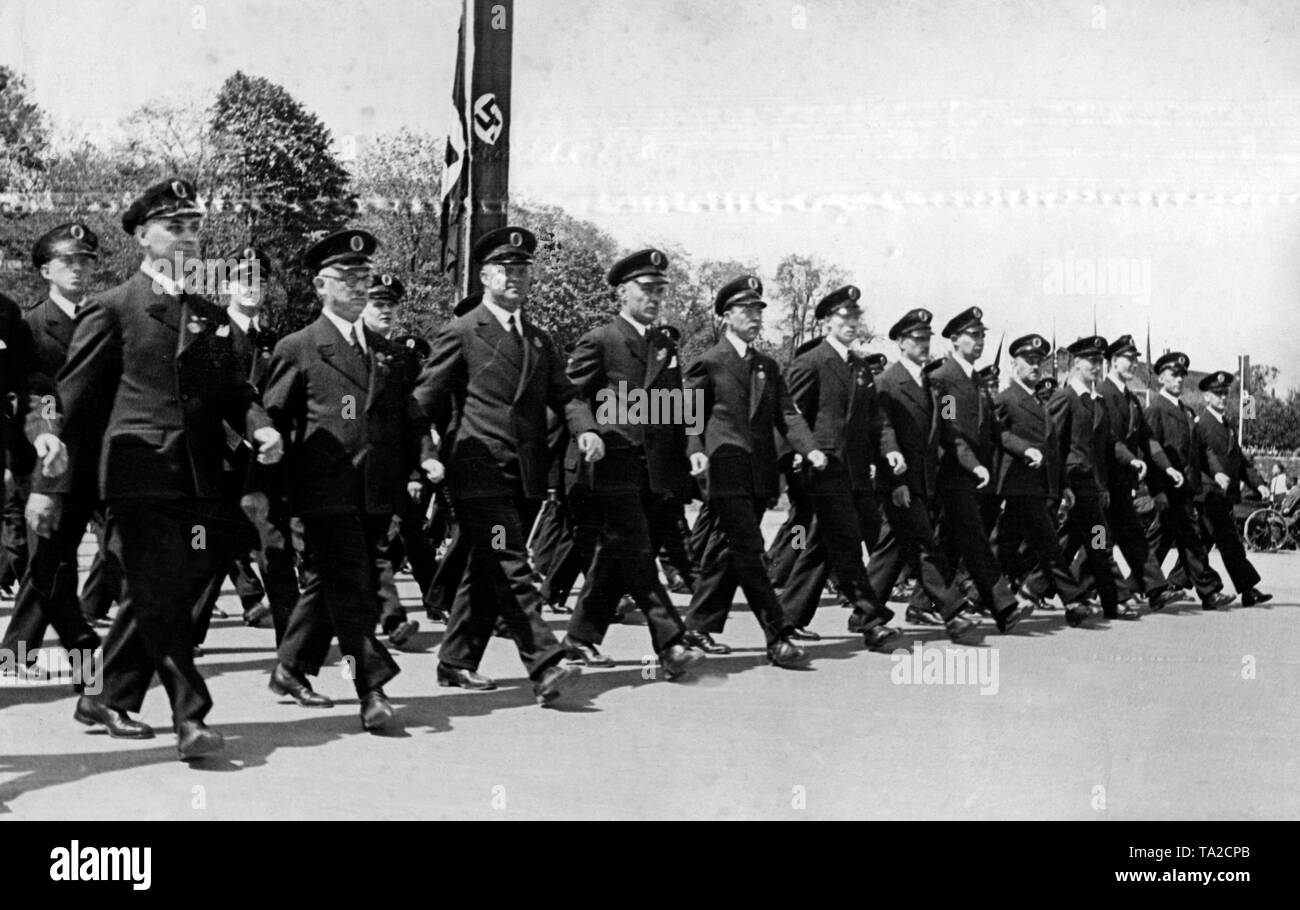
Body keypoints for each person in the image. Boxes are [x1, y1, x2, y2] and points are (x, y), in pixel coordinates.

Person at [36, 177, 283, 759]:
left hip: (198, 478)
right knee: (163, 590)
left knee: (162, 590)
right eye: (175, 226)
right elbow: (66, 400)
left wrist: (260, 424)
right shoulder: (115, 308)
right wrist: (48, 483)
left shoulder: (207, 313)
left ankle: (103, 695)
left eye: (195, 227)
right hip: (136, 474)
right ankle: (190, 718)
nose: (189, 237)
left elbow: (232, 391)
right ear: (143, 237)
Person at [412, 226, 600, 705]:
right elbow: (424, 400)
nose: (516, 277)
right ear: (485, 276)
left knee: (485, 566)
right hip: (478, 468)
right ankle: (545, 661)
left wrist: (586, 428)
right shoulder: (461, 331)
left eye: (523, 270)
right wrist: (423, 457)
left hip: (525, 471)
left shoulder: (539, 340)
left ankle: (455, 663)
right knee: (512, 562)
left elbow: (567, 393)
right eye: (506, 270)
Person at [260, 230, 414, 731]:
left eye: (363, 276)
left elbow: (404, 420)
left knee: (331, 582)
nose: (358, 285)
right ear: (321, 286)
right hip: (323, 491)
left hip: (373, 491)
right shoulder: (300, 347)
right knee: (355, 587)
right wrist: (262, 493)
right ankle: (371, 687)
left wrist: (420, 466)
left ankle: (290, 666)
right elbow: (271, 421)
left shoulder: (388, 353)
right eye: (346, 277)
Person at [558, 248, 704, 677]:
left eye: (661, 289)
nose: (655, 296)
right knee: (638, 550)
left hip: (655, 468)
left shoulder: (664, 344)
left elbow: (676, 404)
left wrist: (693, 445)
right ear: (623, 292)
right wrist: (587, 431)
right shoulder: (601, 339)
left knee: (615, 554)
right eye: (646, 288)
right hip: (612, 463)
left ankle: (579, 639)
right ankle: (671, 642)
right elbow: (572, 395)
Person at [681, 276, 819, 666]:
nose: (755, 317)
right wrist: (694, 450)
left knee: (728, 550)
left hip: (758, 473)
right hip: (723, 468)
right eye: (746, 310)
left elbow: (787, 414)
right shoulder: (708, 362)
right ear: (726, 317)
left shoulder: (767, 366)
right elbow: (689, 416)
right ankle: (779, 634)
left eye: (759, 310)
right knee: (750, 549)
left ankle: (697, 626)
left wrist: (809, 449)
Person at [1, 223, 103, 678]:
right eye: (68, 261)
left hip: (101, 458)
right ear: (46, 270)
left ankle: (18, 652)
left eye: (86, 261)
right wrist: (43, 433)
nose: (79, 270)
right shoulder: (33, 325)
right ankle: (80, 654)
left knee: (66, 560)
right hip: (46, 462)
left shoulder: (104, 317)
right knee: (52, 561)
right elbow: (34, 391)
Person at [780, 285, 905, 650]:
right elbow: (791, 415)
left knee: (821, 546)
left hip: (854, 471)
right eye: (844, 317)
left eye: (856, 317)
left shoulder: (861, 367)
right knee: (847, 542)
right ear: (826, 321)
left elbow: (877, 420)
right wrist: (803, 454)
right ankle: (871, 619)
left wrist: (890, 449)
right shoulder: (811, 362)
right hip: (823, 469)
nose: (852, 323)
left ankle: (786, 620)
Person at [863, 308, 981, 644]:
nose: (924, 343)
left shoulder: (935, 385)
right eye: (917, 338)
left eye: (928, 338)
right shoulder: (886, 382)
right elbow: (882, 428)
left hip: (926, 481)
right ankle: (953, 613)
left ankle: (865, 614)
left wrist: (972, 465)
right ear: (901, 343)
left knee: (892, 550)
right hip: (899, 482)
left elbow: (950, 430)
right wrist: (896, 480)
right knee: (927, 547)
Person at [928, 306, 1030, 633]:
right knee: (974, 539)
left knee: (947, 542)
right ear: (955, 340)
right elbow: (950, 430)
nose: (980, 341)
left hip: (971, 473)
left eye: (983, 335)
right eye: (973, 335)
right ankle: (1004, 606)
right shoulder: (943, 379)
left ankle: (918, 604)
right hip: (953, 471)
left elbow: (996, 431)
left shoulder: (976, 381)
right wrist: (973, 465)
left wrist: (1024, 448)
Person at [359, 274, 424, 647]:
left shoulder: (401, 359)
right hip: (345, 466)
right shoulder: (343, 349)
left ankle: (391, 618)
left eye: (389, 305)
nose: (385, 311)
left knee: (377, 546)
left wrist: (417, 468)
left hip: (385, 469)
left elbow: (411, 419)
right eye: (377, 304)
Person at [1097, 334, 1182, 612]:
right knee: (1097, 542)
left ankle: (1155, 590)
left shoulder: (1131, 398)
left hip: (1122, 483)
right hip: (1103, 483)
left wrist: (1167, 466)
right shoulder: (1102, 393)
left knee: (1132, 538)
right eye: (1128, 359)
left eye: (1136, 359)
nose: (1134, 364)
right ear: (1112, 362)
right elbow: (1109, 437)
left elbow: (1148, 438)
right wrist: (1132, 460)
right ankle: (1074, 591)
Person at [1143, 352, 1234, 610]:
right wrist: (1157, 490)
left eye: (1183, 375)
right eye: (1174, 374)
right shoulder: (1155, 410)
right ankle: (1208, 591)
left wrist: (1215, 471)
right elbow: (1151, 452)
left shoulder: (1186, 411)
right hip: (1167, 488)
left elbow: (1200, 449)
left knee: (1166, 541)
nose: (1180, 379)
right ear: (1161, 378)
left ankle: (1135, 587)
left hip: (1184, 488)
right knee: (1185, 539)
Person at [1191, 370, 1271, 606]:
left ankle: (1163, 583)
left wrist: (1259, 485)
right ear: (1206, 397)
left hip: (1223, 495)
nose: (1223, 398)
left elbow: (1241, 462)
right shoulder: (1201, 424)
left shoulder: (1227, 425)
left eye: (1225, 393)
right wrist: (1212, 478)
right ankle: (1247, 588)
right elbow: (1197, 460)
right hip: (1209, 493)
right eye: (1217, 394)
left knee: (1201, 544)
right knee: (1229, 541)